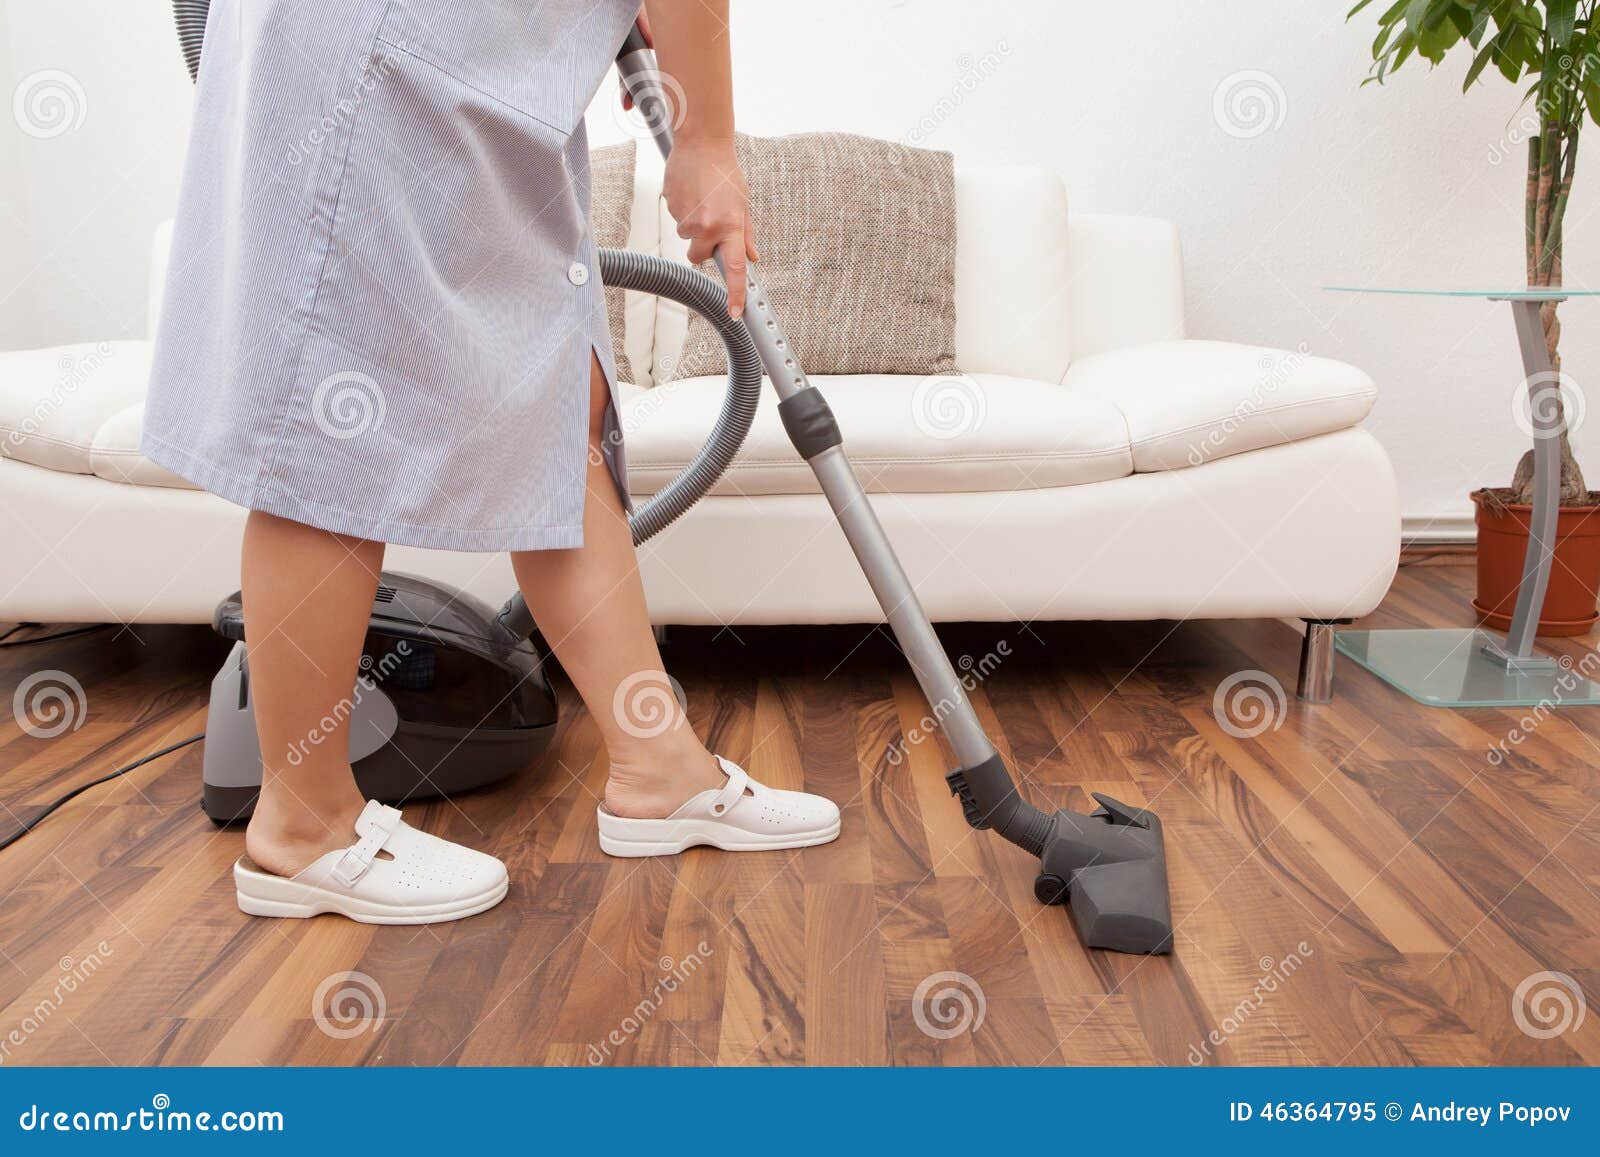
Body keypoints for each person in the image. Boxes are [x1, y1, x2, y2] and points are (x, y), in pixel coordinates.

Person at [142, 0, 840, 924]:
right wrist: (706, 142)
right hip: (381, 47)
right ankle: (302, 826)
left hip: (486, 61)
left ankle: (658, 765)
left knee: (562, 389)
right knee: (340, 412)